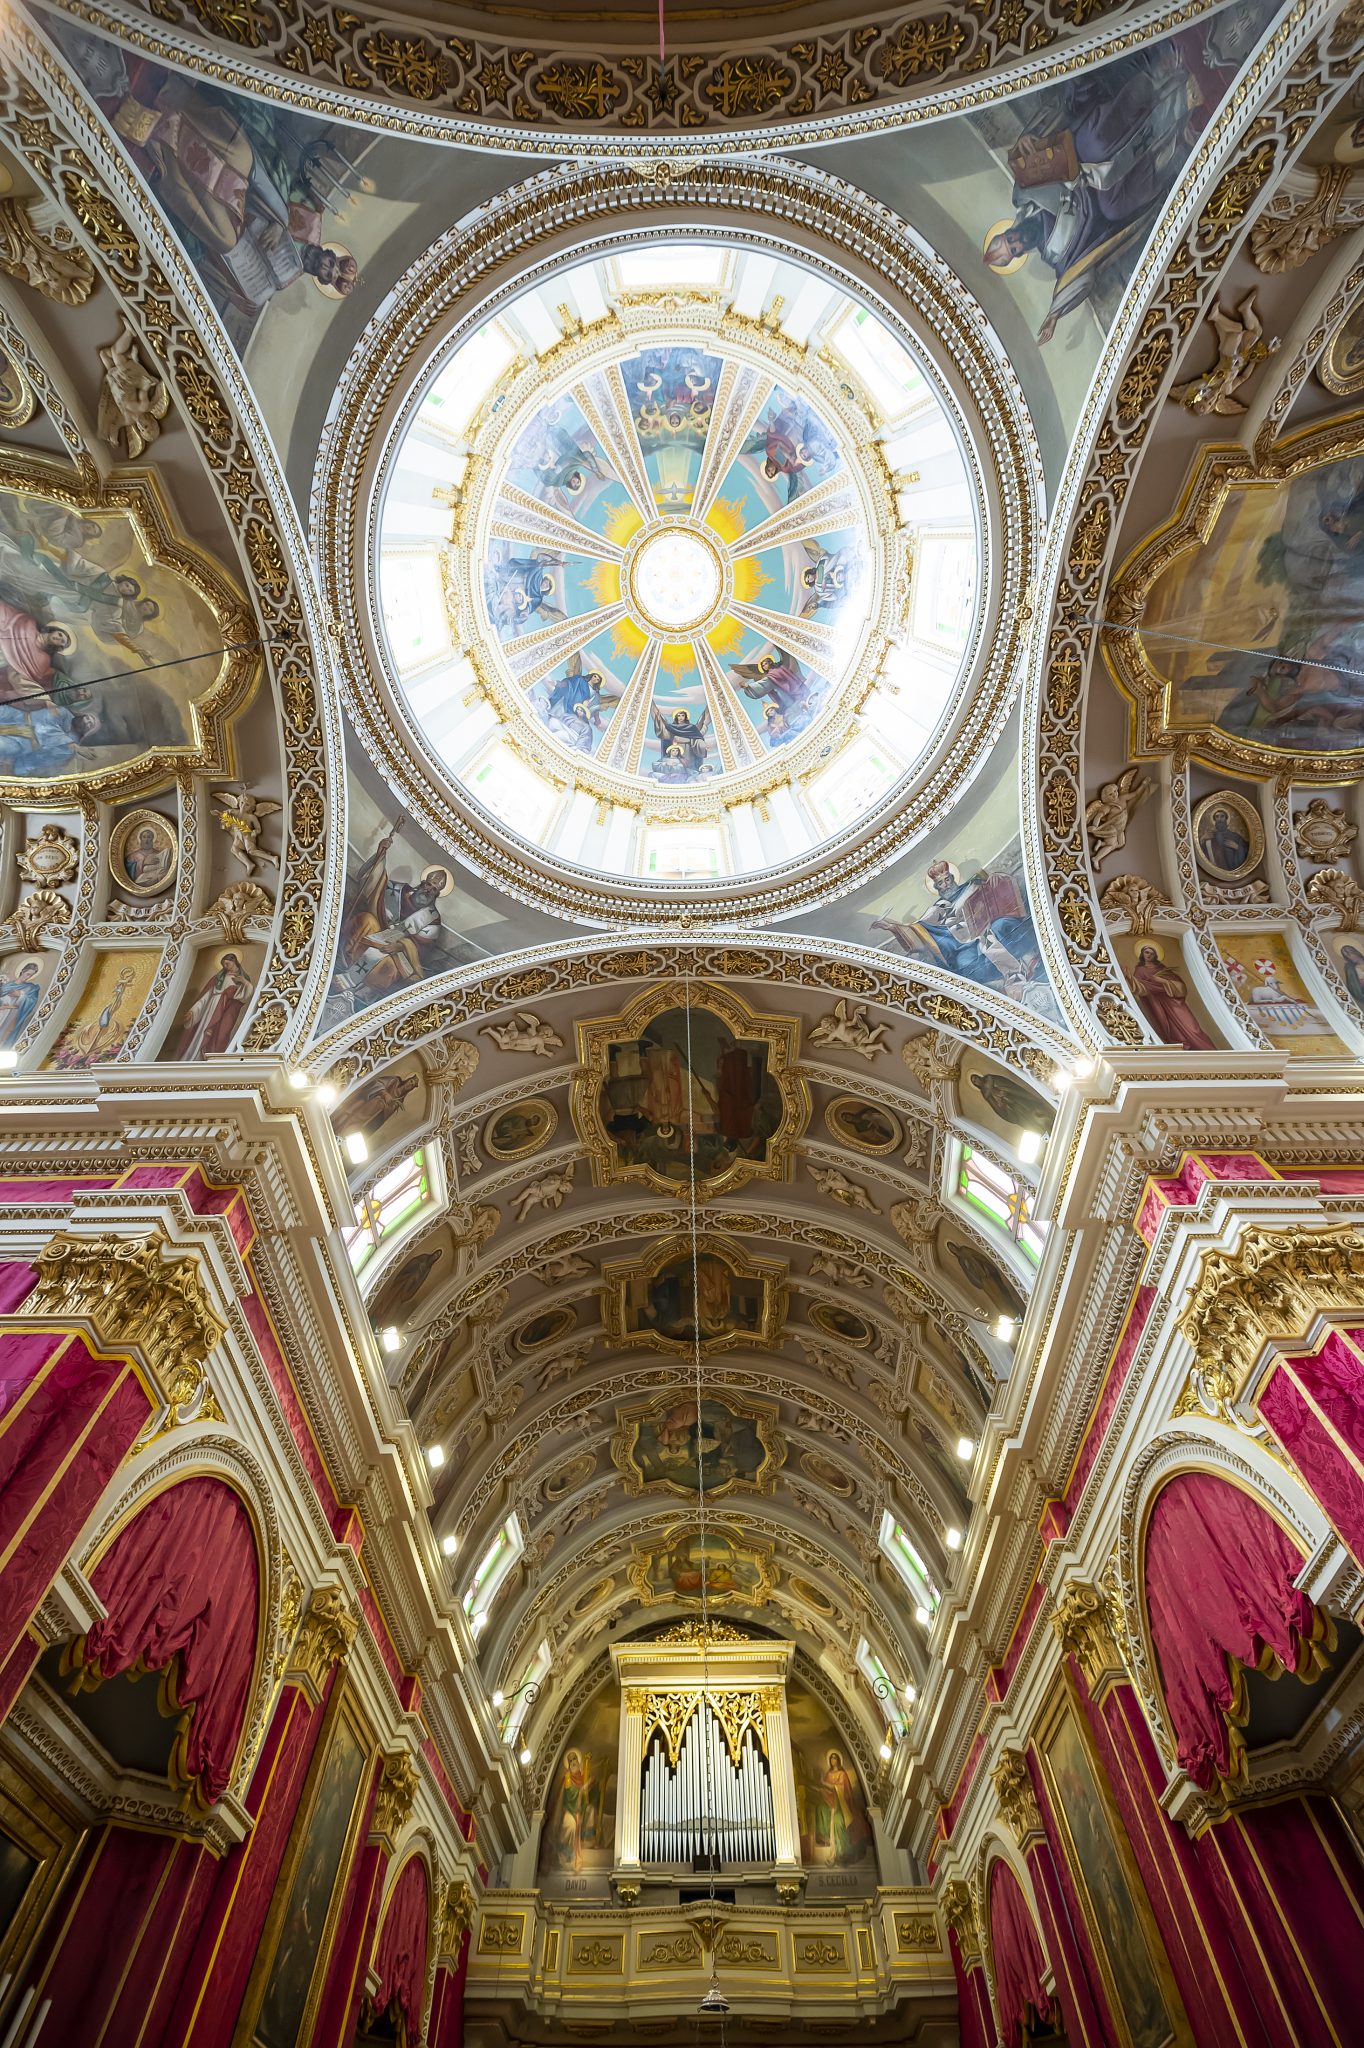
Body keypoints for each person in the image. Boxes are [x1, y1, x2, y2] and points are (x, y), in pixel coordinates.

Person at [1128, 943, 1215, 1050]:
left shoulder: (1162, 969)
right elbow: (1139, 989)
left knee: (1192, 1028)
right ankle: (1184, 1047)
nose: (1149, 955)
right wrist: (1129, 978)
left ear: (1156, 955)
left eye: (1152, 953)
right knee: (1168, 1027)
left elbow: (1181, 988)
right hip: (1156, 1003)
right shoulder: (1140, 970)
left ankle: (1208, 1050)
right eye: (1146, 952)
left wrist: (1163, 981)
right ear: (1142, 954)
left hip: (1174, 1002)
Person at [175, 951, 253, 1059]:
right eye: (223, 964)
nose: (225, 966)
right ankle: (192, 1056)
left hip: (225, 1011)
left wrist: (244, 982)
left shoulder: (242, 978)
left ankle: (205, 1057)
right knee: (201, 1030)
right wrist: (193, 1011)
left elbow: (244, 996)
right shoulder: (218, 977)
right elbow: (206, 996)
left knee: (219, 1034)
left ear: (234, 961)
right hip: (210, 1007)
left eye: (227, 964)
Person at [0, 960, 42, 1047]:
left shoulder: (30, 987)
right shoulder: (6, 985)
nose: (28, 977)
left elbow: (31, 1001)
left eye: (31, 975)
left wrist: (21, 995)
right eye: (28, 974)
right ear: (23, 971)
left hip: (11, 1017)